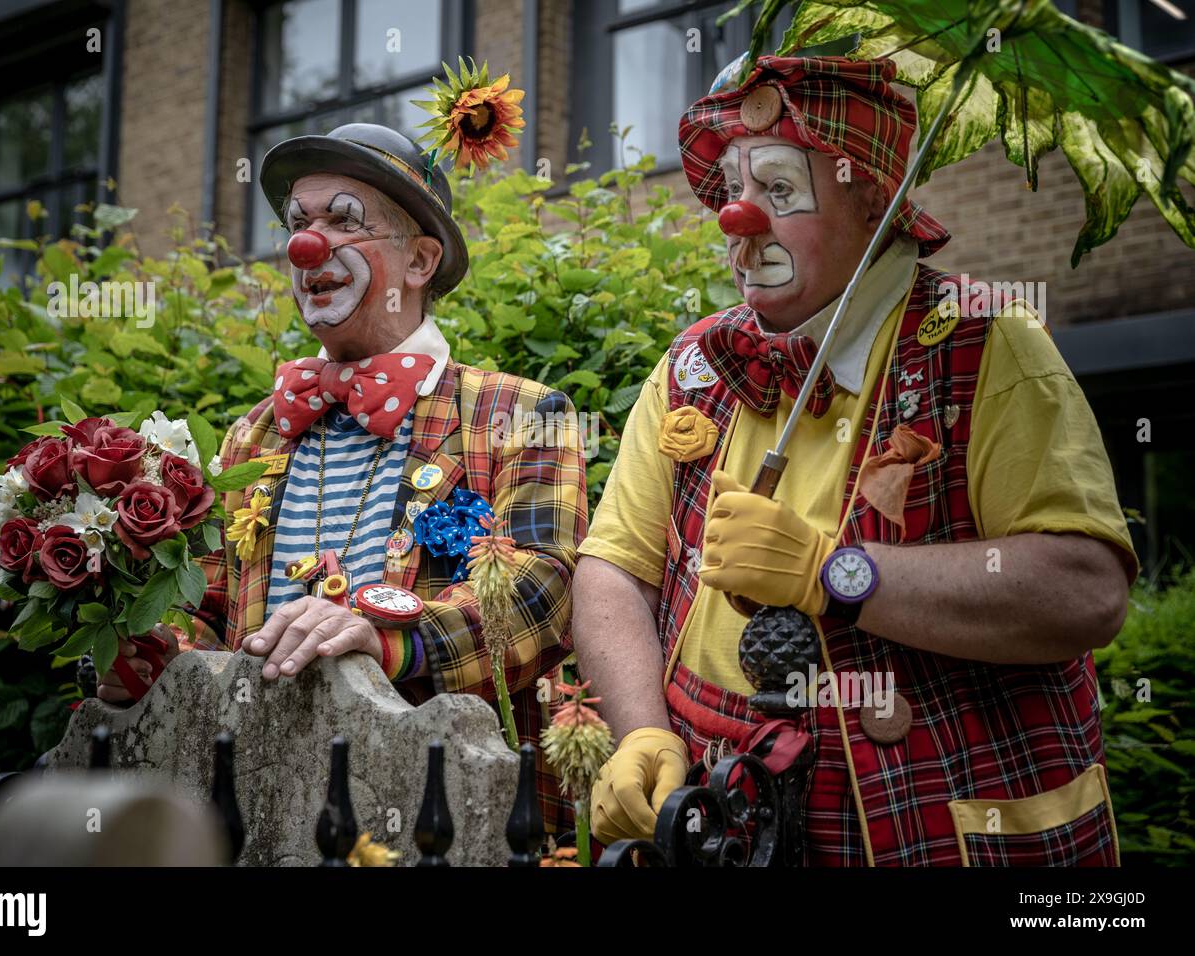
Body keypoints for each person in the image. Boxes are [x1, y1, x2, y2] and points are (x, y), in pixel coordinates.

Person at [573, 55, 1137, 865]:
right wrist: (642, 732)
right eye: (733, 187)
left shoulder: (990, 342)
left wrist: (833, 574)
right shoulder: (694, 365)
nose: (738, 217)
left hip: (930, 816)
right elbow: (614, 567)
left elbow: (1084, 592)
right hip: (724, 812)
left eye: (779, 190)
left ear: (873, 198)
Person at [98, 123, 587, 831]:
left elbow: (542, 594)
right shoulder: (252, 434)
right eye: (298, 224)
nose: (308, 245)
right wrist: (147, 656)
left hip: (439, 812)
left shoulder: (523, 412)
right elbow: (206, 609)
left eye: (343, 221)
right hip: (257, 808)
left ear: (421, 260)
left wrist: (390, 639)